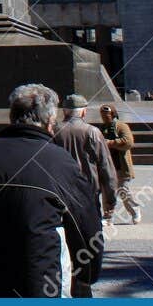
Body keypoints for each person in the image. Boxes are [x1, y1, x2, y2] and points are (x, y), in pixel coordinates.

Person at [0, 83, 105, 297]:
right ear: (50, 122)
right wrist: (86, 276)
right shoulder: (60, 161)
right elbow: (86, 224)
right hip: (40, 282)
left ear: (12, 117)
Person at [52, 94, 118, 228]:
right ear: (83, 111)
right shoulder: (93, 132)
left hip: (59, 193)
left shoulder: (53, 131)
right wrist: (110, 200)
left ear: (64, 111)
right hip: (88, 194)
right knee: (90, 240)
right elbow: (106, 167)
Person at [97, 104, 141, 224]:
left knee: (123, 190)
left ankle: (134, 209)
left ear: (113, 114)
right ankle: (107, 217)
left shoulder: (121, 126)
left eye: (107, 114)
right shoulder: (101, 129)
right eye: (102, 115)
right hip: (107, 165)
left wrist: (110, 143)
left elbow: (128, 142)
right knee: (107, 192)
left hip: (121, 165)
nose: (104, 117)